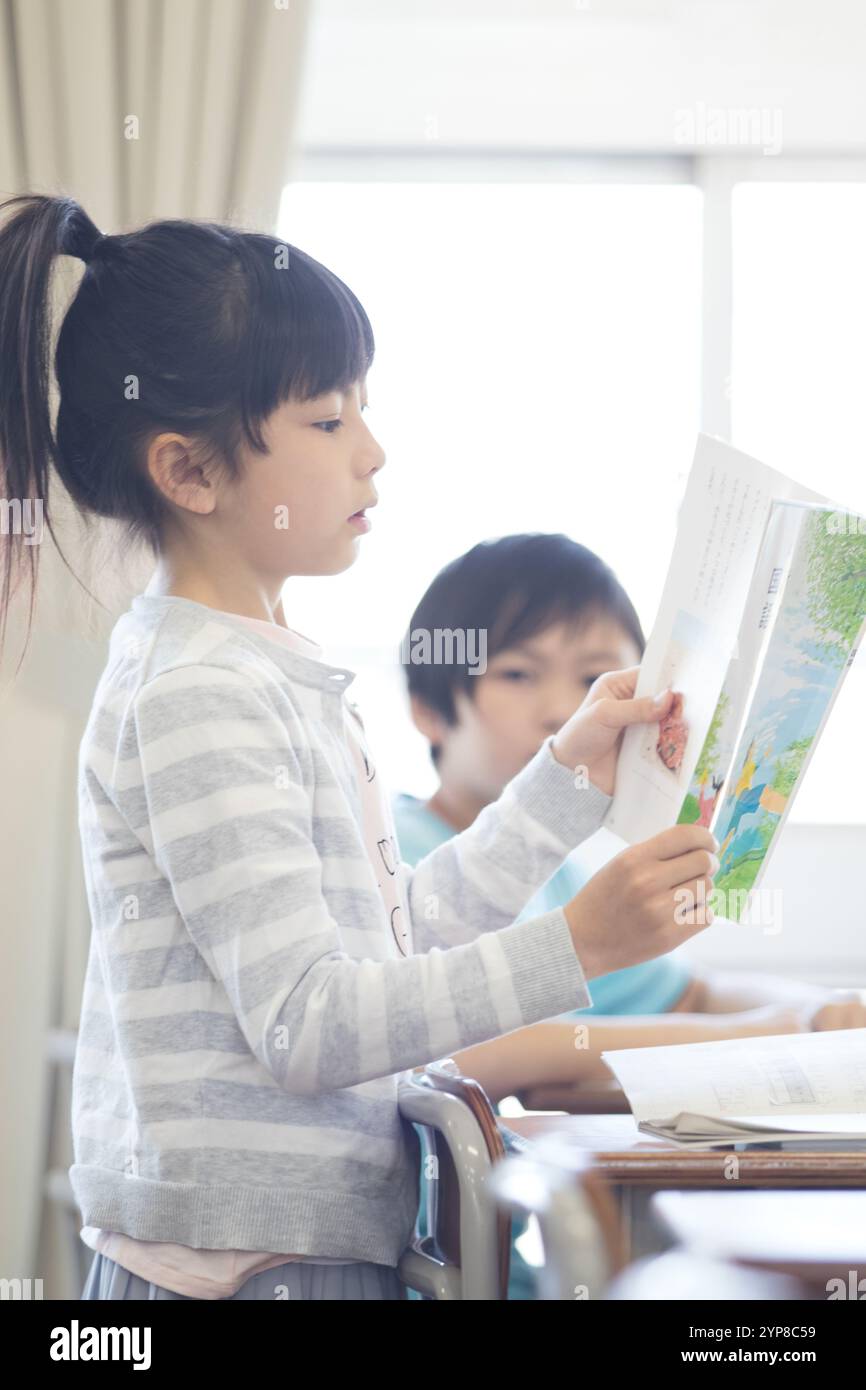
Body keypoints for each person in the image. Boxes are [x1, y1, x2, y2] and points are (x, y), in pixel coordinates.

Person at [0, 195, 719, 1301]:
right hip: (246, 1272)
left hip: (294, 1252)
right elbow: (310, 1025)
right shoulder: (200, 691)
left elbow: (386, 949)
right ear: (188, 472)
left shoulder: (264, 669)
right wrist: (572, 942)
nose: (373, 452)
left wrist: (566, 777)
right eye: (329, 421)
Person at [394, 533, 866, 1298]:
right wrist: (775, 1035)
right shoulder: (411, 858)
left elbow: (686, 999)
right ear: (428, 708)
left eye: (594, 680)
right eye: (518, 673)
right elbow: (478, 1047)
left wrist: (823, 1009)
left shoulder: (563, 873)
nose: (562, 710)